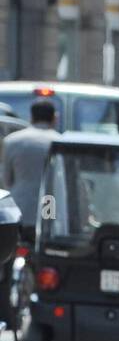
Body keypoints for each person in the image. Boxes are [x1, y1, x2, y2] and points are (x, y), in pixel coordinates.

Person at [1, 99, 59, 244]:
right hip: (49, 208)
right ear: (54, 118)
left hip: (19, 208)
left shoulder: (12, 141)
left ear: (31, 117)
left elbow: (7, 180)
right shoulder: (60, 142)